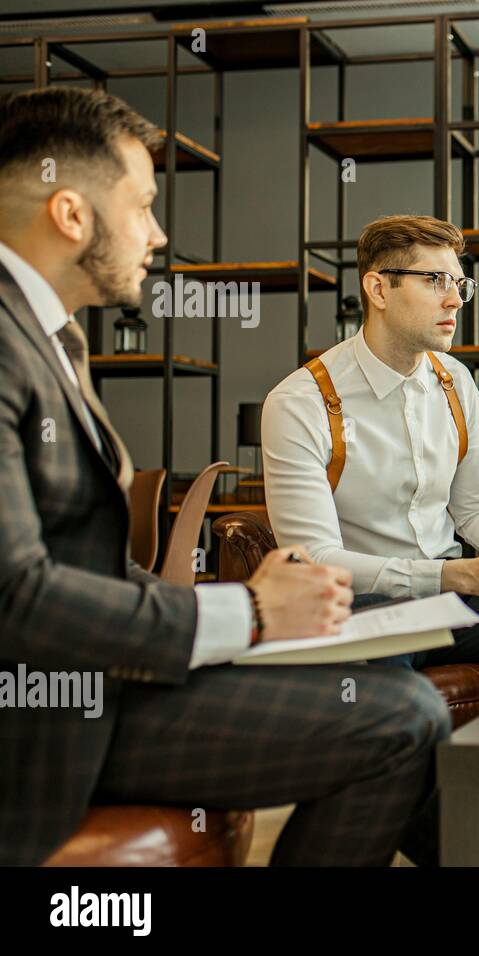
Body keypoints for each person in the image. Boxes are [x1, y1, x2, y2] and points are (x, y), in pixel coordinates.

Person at [0, 86, 449, 866]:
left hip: (96, 681)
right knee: (399, 717)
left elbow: (80, 566)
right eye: (141, 206)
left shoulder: (44, 337)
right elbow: (16, 596)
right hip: (41, 715)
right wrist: (244, 611)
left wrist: (236, 616)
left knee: (403, 711)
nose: (160, 234)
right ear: (72, 214)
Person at [260, 214, 479, 864]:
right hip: (360, 610)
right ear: (377, 287)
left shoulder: (455, 383)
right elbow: (313, 558)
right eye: (435, 280)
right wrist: (458, 577)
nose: (456, 298)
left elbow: (474, 505)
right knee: (386, 692)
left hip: (451, 603)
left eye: (460, 283)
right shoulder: (302, 402)